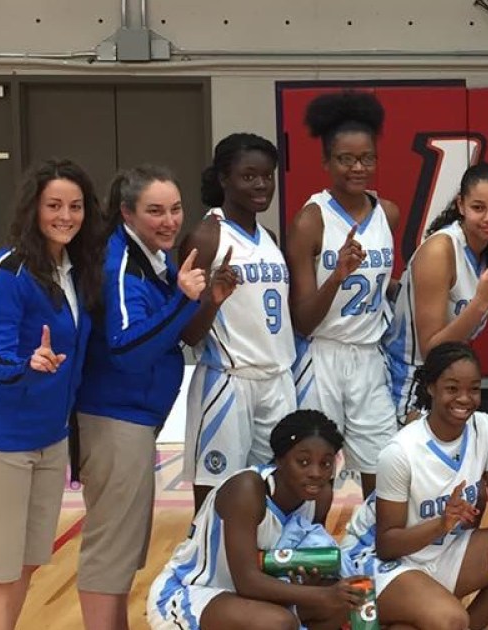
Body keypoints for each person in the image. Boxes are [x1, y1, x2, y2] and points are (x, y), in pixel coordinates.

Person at [0, 159, 102, 630]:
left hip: (50, 438)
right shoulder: (8, 271)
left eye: (76, 206)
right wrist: (29, 365)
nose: (66, 216)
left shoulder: (76, 270)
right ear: (33, 209)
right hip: (0, 441)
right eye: (54, 205)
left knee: (25, 563)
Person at [73, 165, 212, 630]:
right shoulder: (121, 264)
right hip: (113, 420)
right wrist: (184, 301)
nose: (170, 220)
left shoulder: (152, 254)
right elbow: (129, 349)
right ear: (126, 212)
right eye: (155, 211)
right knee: (110, 546)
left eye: (175, 209)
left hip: (133, 421)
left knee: (123, 546)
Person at [365, 342, 488, 629]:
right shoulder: (400, 452)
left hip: (446, 550)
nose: (464, 398)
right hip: (391, 562)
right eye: (452, 388)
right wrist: (441, 524)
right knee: (451, 619)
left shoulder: (487, 429)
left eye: (474, 388)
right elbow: (387, 544)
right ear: (431, 388)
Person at [149, 410, 361, 630]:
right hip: (194, 591)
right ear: (279, 459)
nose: (316, 472)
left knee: (344, 604)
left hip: (256, 599)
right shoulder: (247, 489)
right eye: (303, 461)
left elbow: (306, 555)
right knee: (279, 623)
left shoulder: (321, 495)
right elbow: (247, 581)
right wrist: (322, 594)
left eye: (325, 464)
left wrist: (313, 580)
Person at [287, 90, 399, 497]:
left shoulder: (388, 213)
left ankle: (377, 544)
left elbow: (384, 286)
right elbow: (301, 319)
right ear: (326, 162)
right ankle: (307, 545)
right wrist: (336, 276)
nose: (358, 167)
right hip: (323, 357)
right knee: (314, 469)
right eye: (346, 159)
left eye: (367, 158)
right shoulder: (310, 220)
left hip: (369, 356)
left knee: (384, 465)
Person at [181, 133, 296, 512]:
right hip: (228, 381)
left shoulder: (270, 238)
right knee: (216, 494)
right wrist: (212, 299)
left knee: (273, 488)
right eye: (249, 176)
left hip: (278, 379)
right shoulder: (207, 236)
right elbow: (187, 332)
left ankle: (255, 566)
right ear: (223, 179)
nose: (262, 184)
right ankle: (203, 567)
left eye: (268, 175)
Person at [383, 163, 488, 423]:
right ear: (461, 205)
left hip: (445, 381)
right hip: (407, 381)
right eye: (478, 208)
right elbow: (431, 351)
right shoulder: (441, 250)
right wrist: (481, 303)